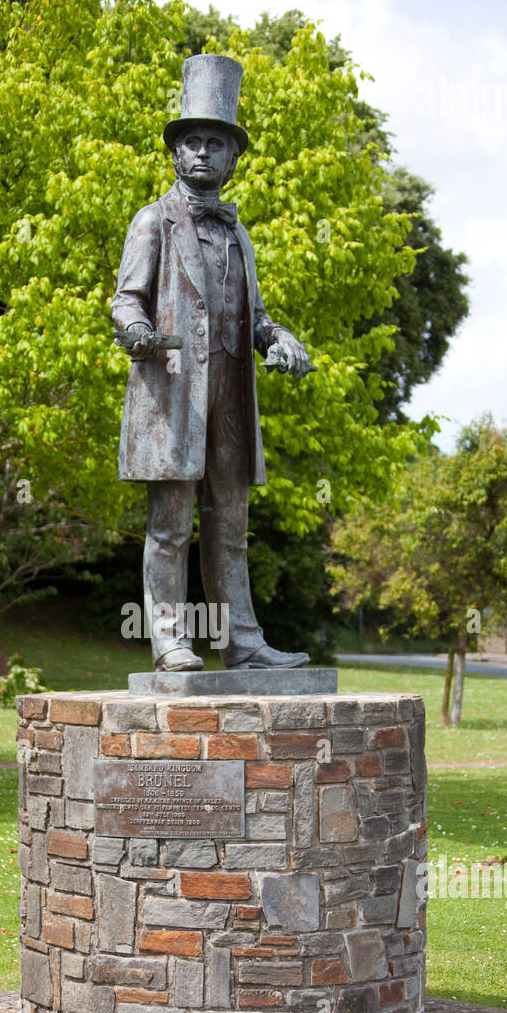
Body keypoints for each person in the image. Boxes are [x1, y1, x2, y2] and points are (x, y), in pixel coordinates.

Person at [112, 54, 314, 672]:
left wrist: (280, 339)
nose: (202, 153)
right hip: (172, 396)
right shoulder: (154, 221)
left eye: (215, 144)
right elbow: (124, 300)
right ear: (177, 154)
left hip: (231, 395)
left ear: (232, 159)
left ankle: (243, 643)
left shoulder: (239, 234)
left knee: (230, 529)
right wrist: (139, 330)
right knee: (171, 527)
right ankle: (171, 638)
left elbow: (251, 317)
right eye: (192, 142)